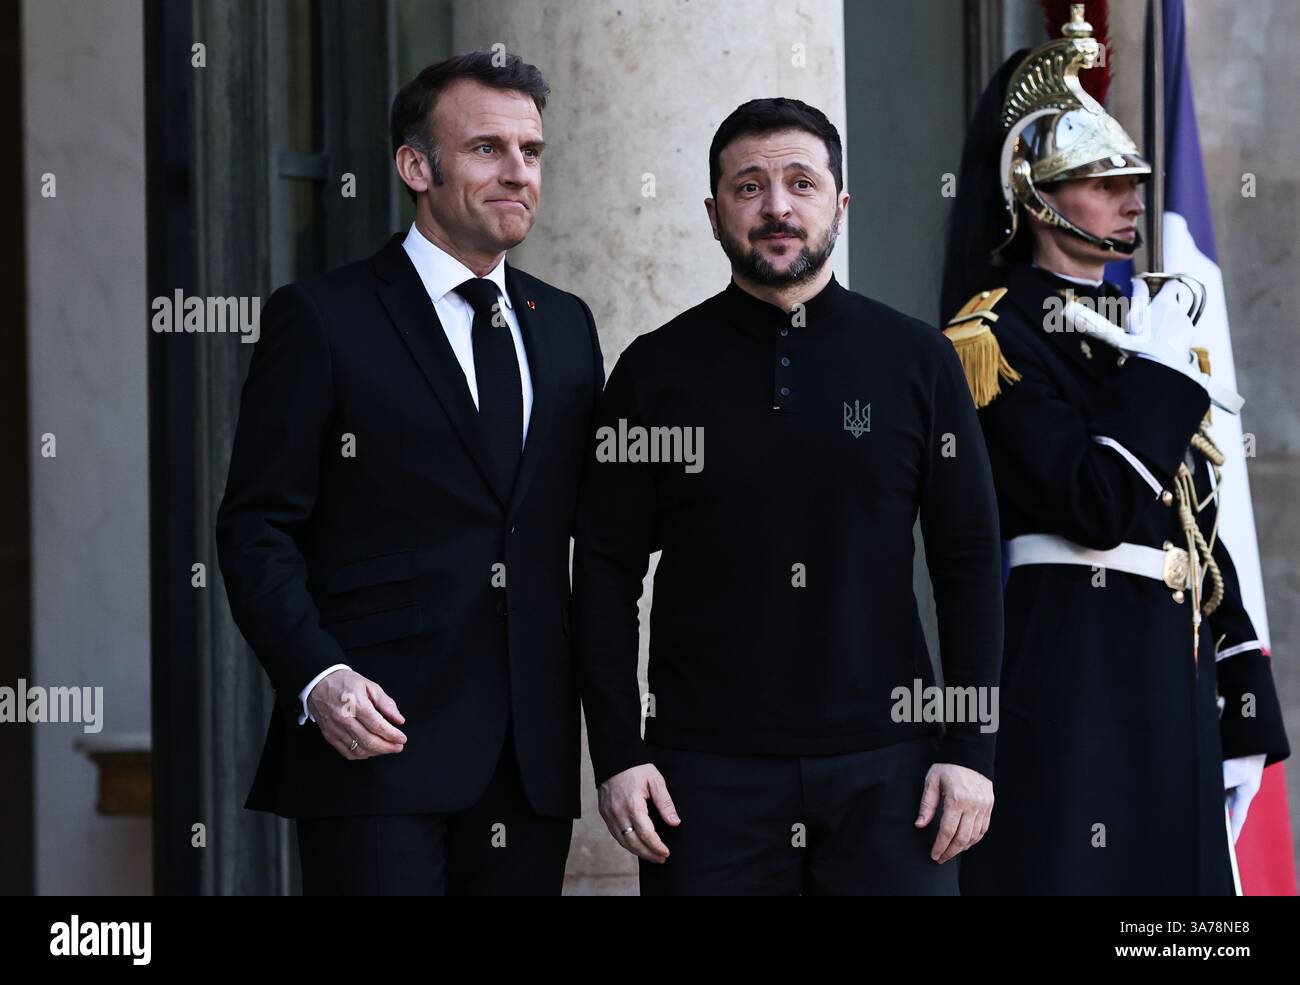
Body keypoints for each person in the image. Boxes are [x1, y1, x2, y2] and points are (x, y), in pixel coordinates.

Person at [572, 97, 1004, 895]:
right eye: (749, 187)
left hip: (894, 774)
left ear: (840, 205)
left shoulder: (919, 361)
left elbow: (969, 559)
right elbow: (603, 568)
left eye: (802, 183)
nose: (777, 207)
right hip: (702, 780)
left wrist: (971, 749)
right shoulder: (654, 371)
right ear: (713, 214)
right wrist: (620, 752)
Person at [216, 52, 604, 895]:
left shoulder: (567, 326)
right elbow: (256, 528)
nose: (518, 172)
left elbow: (593, 526)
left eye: (532, 152)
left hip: (529, 758)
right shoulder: (321, 319)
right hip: (376, 743)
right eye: (487, 149)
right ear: (415, 167)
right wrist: (317, 675)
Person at [940, 7, 1288, 894]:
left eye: (1134, 178)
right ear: (1036, 196)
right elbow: (1095, 501)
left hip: (1175, 671)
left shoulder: (1139, 328)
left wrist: (1245, 698)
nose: (1133, 198)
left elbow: (1196, 525)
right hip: (1075, 665)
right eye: (1103, 181)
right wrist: (1163, 376)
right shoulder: (991, 337)